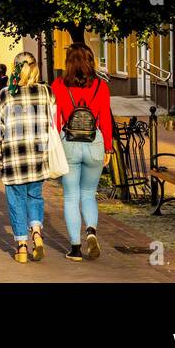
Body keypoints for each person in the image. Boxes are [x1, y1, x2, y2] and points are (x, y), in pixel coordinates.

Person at [0, 52, 54, 264]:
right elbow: (52, 122)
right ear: (35, 67)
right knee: (35, 195)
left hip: (15, 156)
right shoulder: (46, 92)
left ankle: (22, 246)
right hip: (38, 154)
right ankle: (36, 231)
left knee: (16, 200)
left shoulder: (6, 94)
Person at [52, 42, 113, 261]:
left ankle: (75, 249)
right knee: (88, 193)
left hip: (68, 142)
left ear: (68, 62)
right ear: (90, 61)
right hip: (94, 142)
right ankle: (91, 232)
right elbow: (105, 118)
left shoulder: (58, 85)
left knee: (70, 197)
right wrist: (108, 148)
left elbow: (55, 120)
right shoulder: (101, 86)